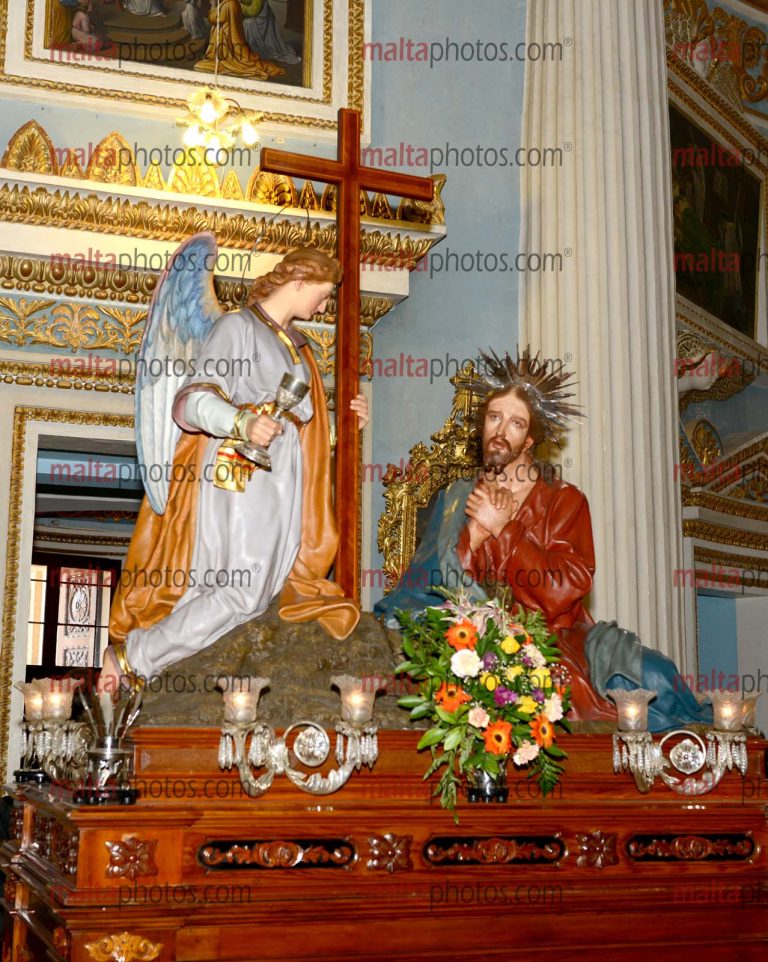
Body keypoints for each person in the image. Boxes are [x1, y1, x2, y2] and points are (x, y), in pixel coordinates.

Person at [376, 349, 712, 728]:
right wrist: (473, 535)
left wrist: (507, 529)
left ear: (532, 437)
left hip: (556, 637)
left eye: (516, 423)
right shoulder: (457, 497)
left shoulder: (563, 499)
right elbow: (425, 583)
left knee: (653, 675)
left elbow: (564, 589)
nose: (501, 432)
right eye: (494, 418)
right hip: (473, 634)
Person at [104, 247, 368, 690]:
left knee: (249, 591)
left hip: (282, 484)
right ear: (299, 282)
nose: (322, 308)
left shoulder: (298, 349)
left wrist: (343, 425)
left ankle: (168, 675)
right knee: (241, 592)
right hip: (241, 470)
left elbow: (304, 432)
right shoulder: (238, 328)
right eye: (322, 296)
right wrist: (242, 421)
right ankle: (134, 658)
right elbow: (193, 400)